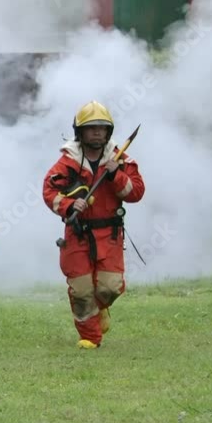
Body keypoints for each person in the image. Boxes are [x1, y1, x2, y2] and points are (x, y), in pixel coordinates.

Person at [42, 100, 145, 349]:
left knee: (111, 287)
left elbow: (136, 192)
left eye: (101, 127)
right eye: (91, 128)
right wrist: (68, 206)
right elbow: (49, 191)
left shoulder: (120, 160)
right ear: (81, 132)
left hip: (109, 235)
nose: (97, 132)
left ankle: (101, 311)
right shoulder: (67, 162)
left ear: (108, 131)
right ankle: (90, 337)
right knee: (80, 291)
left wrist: (115, 175)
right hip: (77, 235)